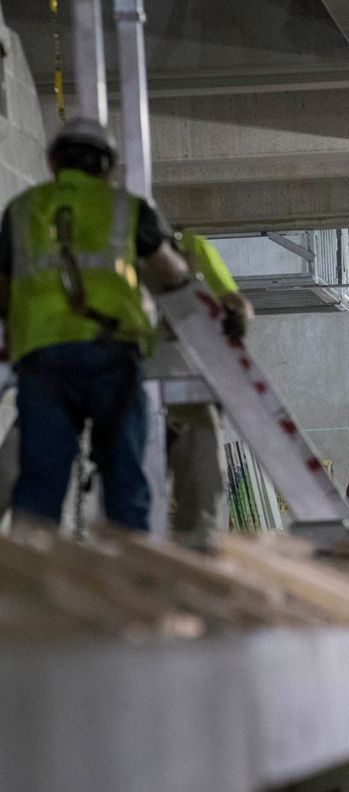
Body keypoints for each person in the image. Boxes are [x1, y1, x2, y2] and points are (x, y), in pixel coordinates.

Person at [0, 118, 189, 532]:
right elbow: (173, 273)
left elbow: (3, 285)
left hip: (41, 355)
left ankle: (31, 590)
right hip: (112, 356)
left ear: (52, 162)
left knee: (39, 484)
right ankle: (126, 587)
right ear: (108, 167)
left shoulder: (21, 210)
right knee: (124, 480)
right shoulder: (126, 208)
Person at [165, 230, 253, 548]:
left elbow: (233, 299)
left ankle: (197, 571)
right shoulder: (107, 243)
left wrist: (239, 315)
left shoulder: (194, 247)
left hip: (192, 389)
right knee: (131, 498)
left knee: (203, 494)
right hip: (135, 389)